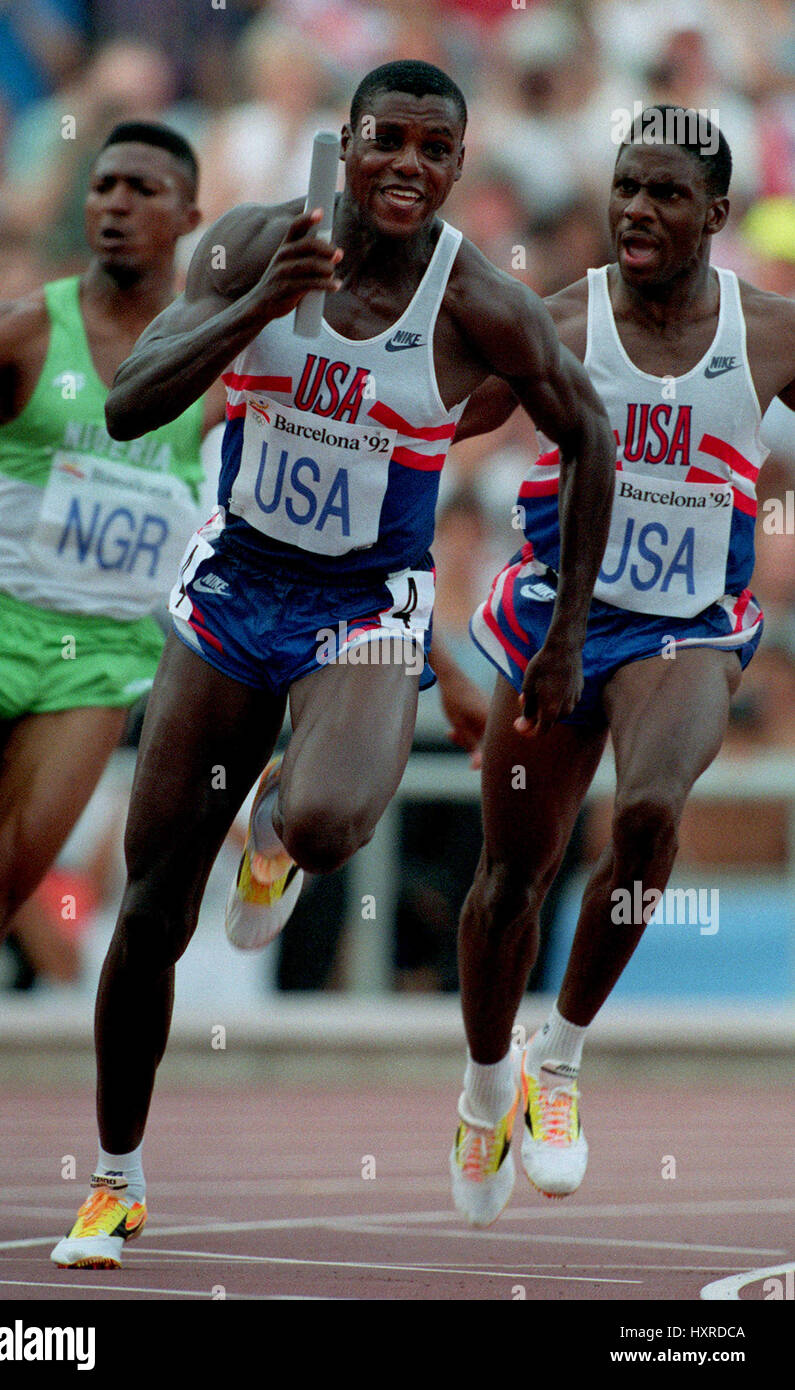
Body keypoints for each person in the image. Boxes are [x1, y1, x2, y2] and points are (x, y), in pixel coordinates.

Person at [49, 58, 615, 1269]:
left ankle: (275, 829)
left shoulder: (480, 308)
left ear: (458, 167)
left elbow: (591, 435)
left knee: (324, 825)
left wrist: (566, 630)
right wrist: (259, 304)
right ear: (345, 143)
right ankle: (112, 1179)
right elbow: (131, 404)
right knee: (150, 910)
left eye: (432, 148)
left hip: (364, 601)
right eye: (386, 140)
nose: (406, 165)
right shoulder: (261, 238)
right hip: (236, 581)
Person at [448, 105, 795, 1227]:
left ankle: (558, 1061)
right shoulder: (557, 317)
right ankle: (483, 1081)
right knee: (513, 873)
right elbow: (443, 417)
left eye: (663, 193)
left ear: (716, 214)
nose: (636, 210)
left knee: (647, 813)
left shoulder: (770, 332)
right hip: (557, 613)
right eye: (623, 189)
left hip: (686, 623)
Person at [0, 120, 224, 1056]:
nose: (115, 203)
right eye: (104, 185)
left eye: (144, 189)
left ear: (188, 214)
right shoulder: (23, 326)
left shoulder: (214, 365)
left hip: (99, 659)